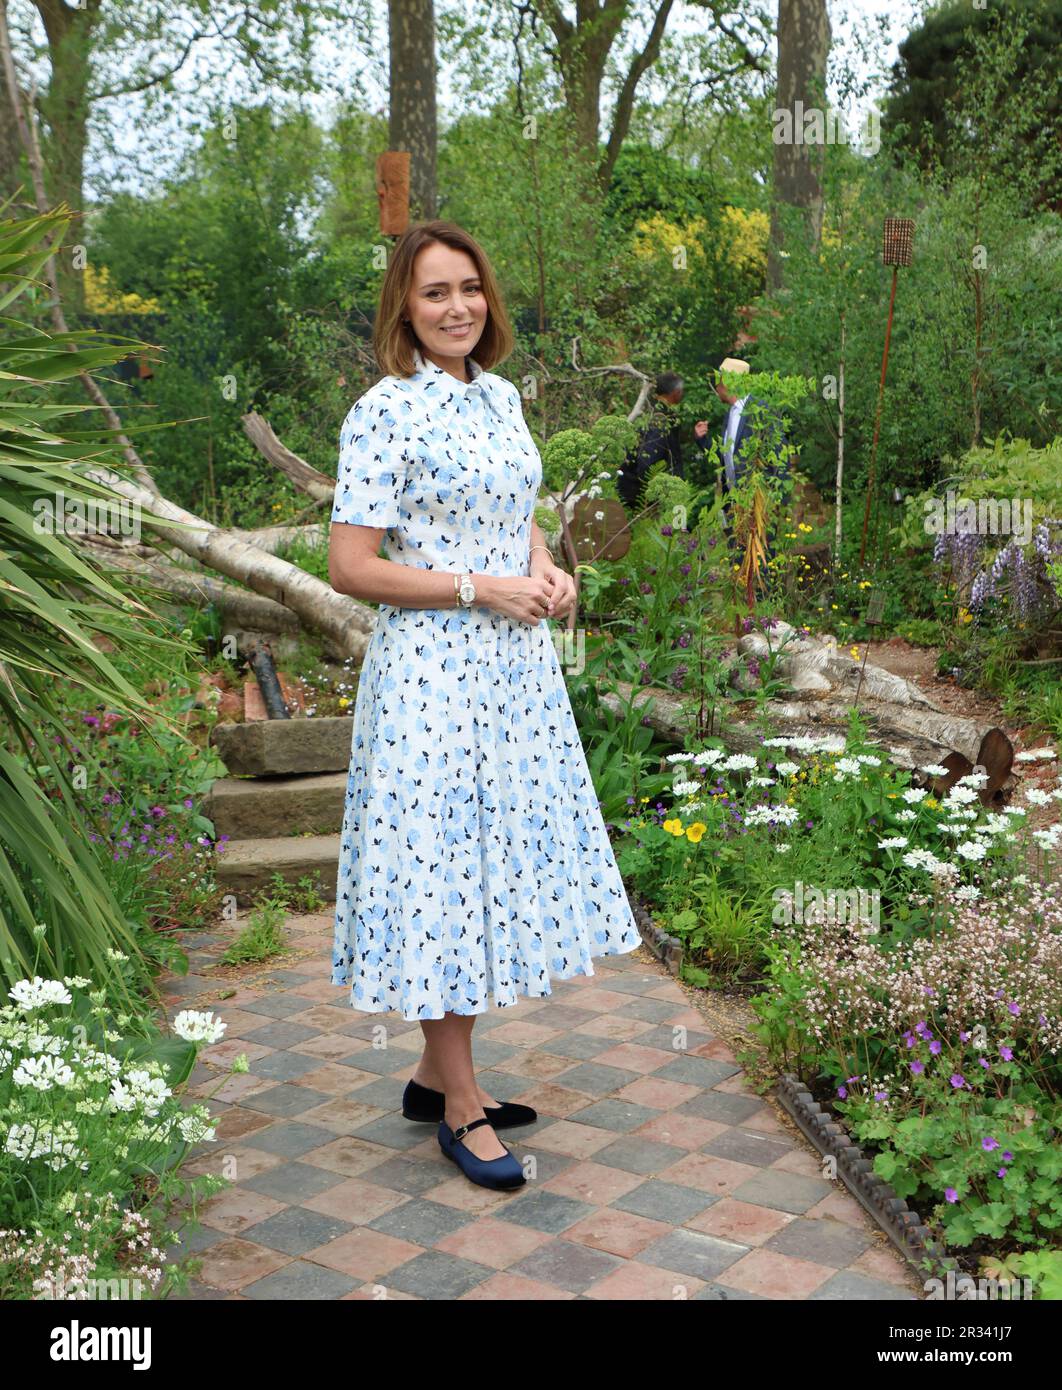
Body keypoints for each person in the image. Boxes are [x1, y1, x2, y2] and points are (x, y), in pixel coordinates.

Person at [327, 220, 643, 1192]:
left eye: (469, 287)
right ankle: (460, 1107)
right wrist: (479, 588)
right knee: (442, 874)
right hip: (430, 679)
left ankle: (434, 1073)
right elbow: (350, 565)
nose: (457, 306)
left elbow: (523, 512)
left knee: (490, 862)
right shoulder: (384, 411)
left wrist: (548, 572)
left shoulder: (501, 395)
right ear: (404, 308)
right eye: (434, 293)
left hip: (512, 675)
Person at [693, 356, 790, 544]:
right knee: (737, 562)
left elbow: (780, 456)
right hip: (735, 506)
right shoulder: (730, 413)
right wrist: (702, 441)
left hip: (759, 508)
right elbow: (726, 458)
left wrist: (777, 503)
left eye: (718, 381)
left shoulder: (760, 410)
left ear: (728, 382)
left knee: (760, 564)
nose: (716, 386)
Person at [617, 371, 686, 510]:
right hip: (644, 500)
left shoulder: (646, 410)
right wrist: (653, 496)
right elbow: (647, 463)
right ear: (676, 392)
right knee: (665, 531)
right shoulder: (661, 419)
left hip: (630, 490)